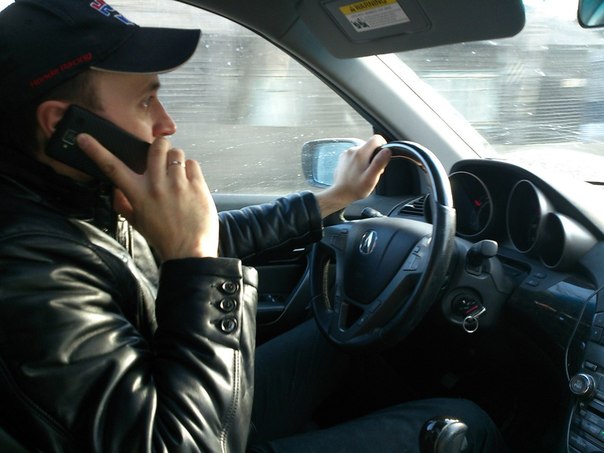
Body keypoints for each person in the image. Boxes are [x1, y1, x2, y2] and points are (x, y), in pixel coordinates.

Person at [0, 0, 504, 451]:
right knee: (466, 423)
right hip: (190, 431)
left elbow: (211, 236)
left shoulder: (78, 201)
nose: (167, 124)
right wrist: (195, 260)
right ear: (62, 125)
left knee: (343, 343)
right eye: (146, 101)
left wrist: (333, 199)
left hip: (175, 396)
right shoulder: (29, 269)